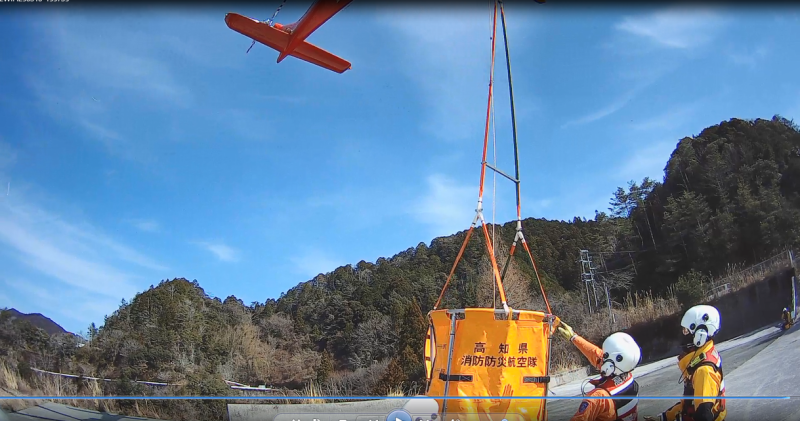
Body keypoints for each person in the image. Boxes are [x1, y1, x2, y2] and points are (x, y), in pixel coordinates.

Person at [645, 305, 726, 421]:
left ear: (700, 335)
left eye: (686, 331)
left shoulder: (703, 371)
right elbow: (690, 404)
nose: (683, 334)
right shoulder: (701, 357)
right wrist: (665, 418)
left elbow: (704, 415)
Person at [557, 321, 641, 421]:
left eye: (605, 356)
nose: (602, 357)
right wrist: (574, 337)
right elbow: (596, 354)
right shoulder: (627, 374)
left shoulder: (598, 397)